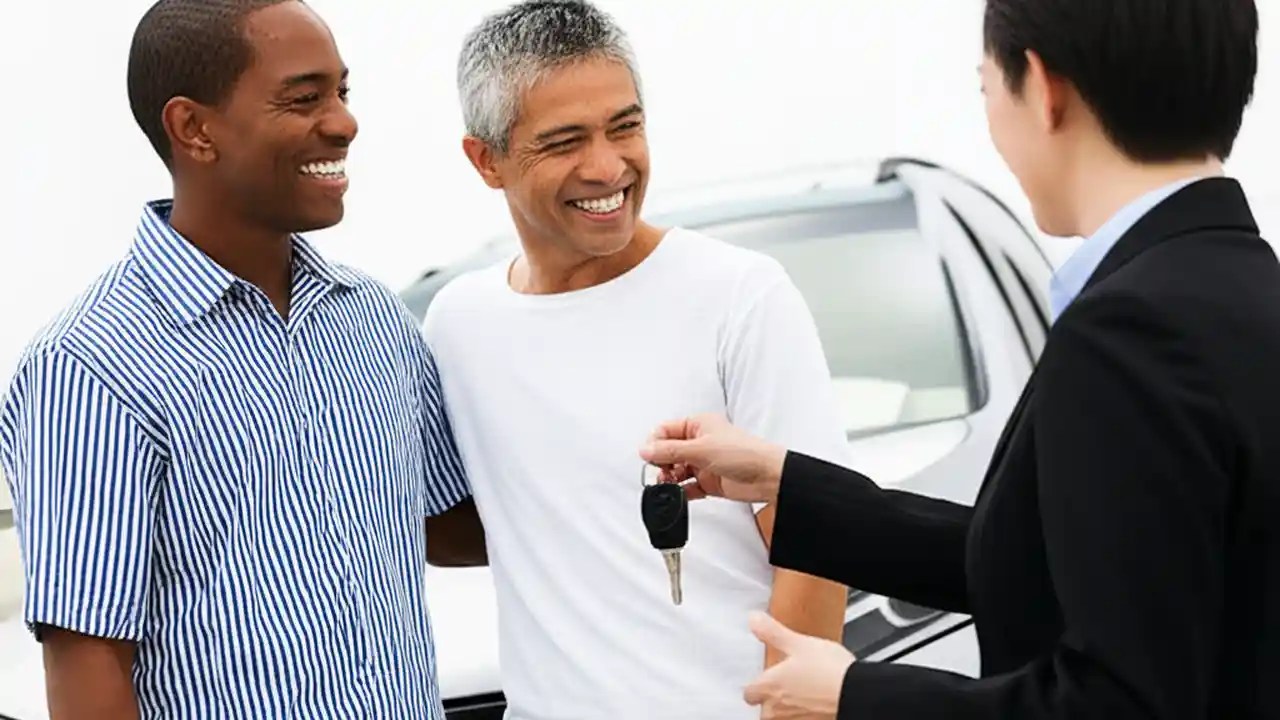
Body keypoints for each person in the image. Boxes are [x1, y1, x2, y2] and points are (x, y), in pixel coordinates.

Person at [641, 0, 1277, 718]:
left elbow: (1116, 703)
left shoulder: (1127, 330)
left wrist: (855, 695)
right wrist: (786, 482)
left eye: (986, 87)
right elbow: (1041, 567)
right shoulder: (1241, 291)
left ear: (1043, 87)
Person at [0, 1, 482, 718]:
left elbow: (448, 527)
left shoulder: (376, 320)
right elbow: (88, 664)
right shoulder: (88, 365)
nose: (345, 122)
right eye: (304, 98)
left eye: (342, 92)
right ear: (194, 129)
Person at [422, 1, 851, 716]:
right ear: (486, 160)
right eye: (565, 142)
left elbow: (816, 550)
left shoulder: (739, 296)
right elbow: (463, 520)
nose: (608, 166)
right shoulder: (457, 326)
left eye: (625, 127)